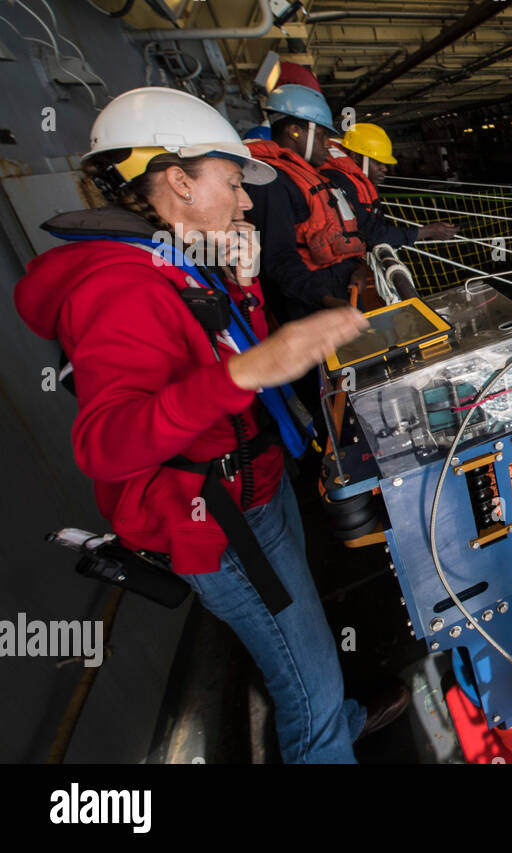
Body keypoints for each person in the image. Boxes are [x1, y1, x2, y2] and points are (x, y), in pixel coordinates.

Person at [13, 87, 407, 763]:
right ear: (179, 181)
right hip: (221, 521)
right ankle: (325, 735)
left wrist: (244, 289)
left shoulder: (173, 259)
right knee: (303, 682)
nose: (248, 200)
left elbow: (214, 351)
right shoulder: (120, 287)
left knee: (306, 627)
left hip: (254, 485)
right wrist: (251, 370)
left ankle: (338, 712)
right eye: (233, 182)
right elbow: (105, 442)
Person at [243, 84, 367, 323]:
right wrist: (326, 300)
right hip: (312, 306)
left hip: (343, 290)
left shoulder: (311, 176)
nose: (328, 145)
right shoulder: (272, 182)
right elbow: (277, 258)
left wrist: (357, 267)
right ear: (294, 132)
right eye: (321, 135)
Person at [319, 123, 456, 256]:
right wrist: (426, 232)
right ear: (355, 157)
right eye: (378, 162)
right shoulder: (341, 182)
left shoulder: (352, 180)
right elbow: (372, 235)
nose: (384, 168)